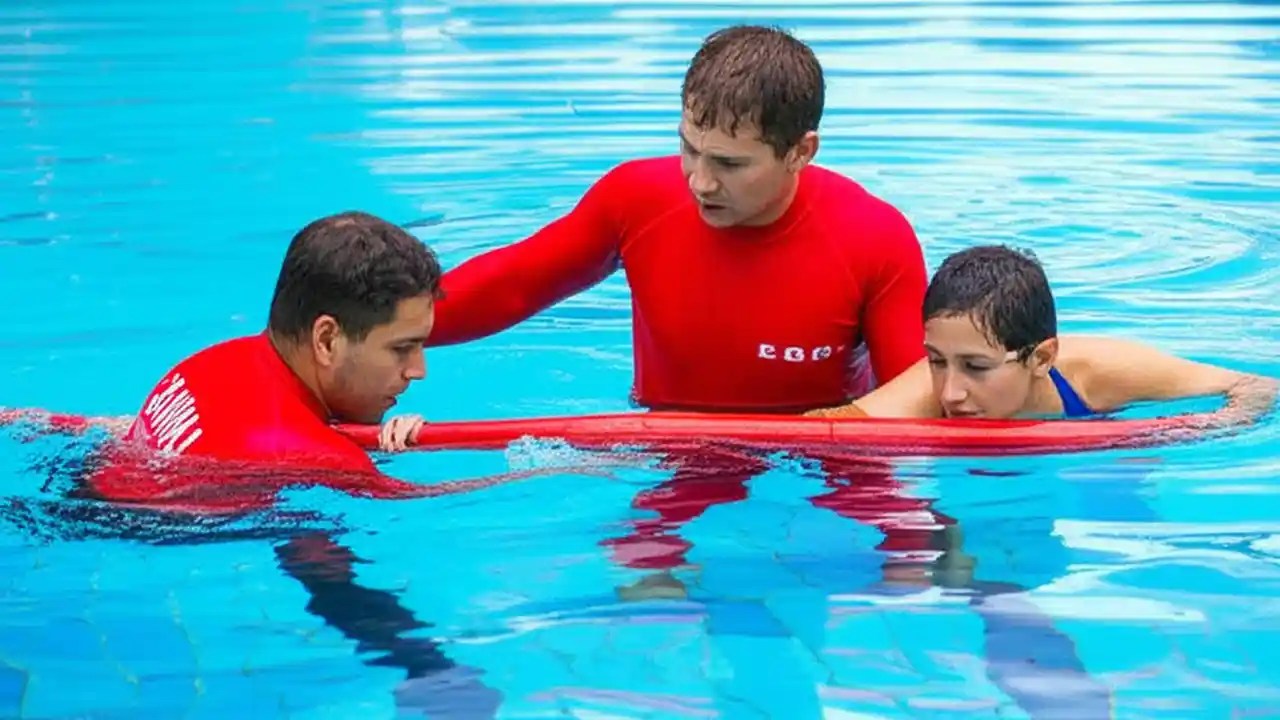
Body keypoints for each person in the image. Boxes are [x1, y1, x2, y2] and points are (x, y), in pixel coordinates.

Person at [423, 24, 928, 413]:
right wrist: (368, 334)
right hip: (671, 449)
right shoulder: (635, 199)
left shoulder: (874, 237)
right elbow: (514, 285)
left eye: (729, 164)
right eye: (689, 148)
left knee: (915, 548)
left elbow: (927, 383)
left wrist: (830, 431)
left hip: (825, 462)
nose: (699, 181)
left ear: (801, 151)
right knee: (635, 551)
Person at [89, 210, 570, 510]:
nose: (419, 369)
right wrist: (563, 472)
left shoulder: (209, 364)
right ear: (326, 339)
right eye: (401, 348)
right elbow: (434, 504)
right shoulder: (314, 457)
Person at [807, 244, 1278, 422]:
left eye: (975, 367)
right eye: (936, 360)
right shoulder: (927, 392)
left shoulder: (1102, 373)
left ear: (1041, 358)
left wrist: (1188, 430)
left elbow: (1255, 388)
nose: (950, 391)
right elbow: (825, 431)